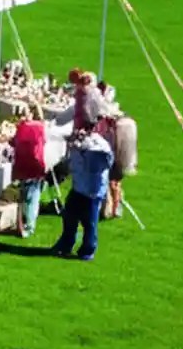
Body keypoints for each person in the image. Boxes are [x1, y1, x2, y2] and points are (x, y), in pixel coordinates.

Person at [53, 130, 114, 261]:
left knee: (89, 223)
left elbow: (101, 158)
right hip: (79, 187)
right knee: (69, 216)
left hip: (92, 191)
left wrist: (81, 146)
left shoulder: (99, 146)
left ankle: (88, 250)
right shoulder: (79, 144)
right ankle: (65, 245)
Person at [11, 103, 47, 237]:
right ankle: (28, 225)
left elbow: (14, 142)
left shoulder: (21, 127)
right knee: (33, 197)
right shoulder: (40, 127)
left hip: (23, 166)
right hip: (35, 166)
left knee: (25, 196)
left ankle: (24, 223)